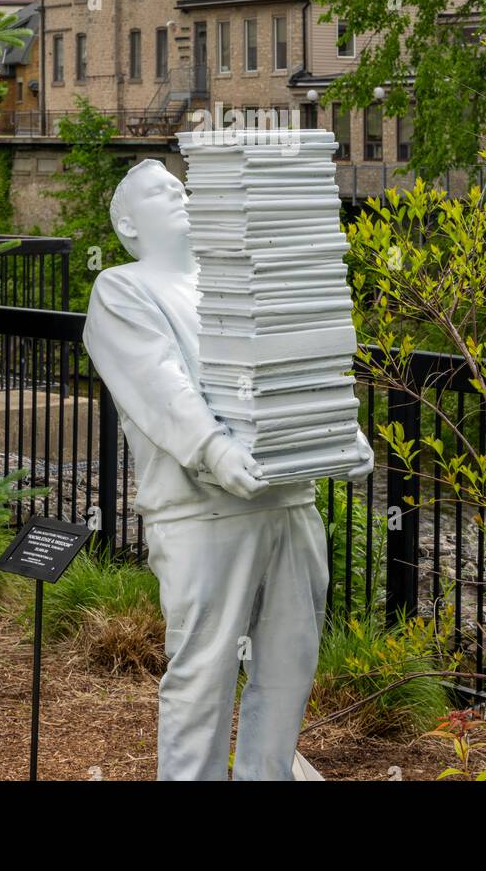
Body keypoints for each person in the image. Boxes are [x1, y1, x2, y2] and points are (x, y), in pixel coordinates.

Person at [83, 158, 373, 781]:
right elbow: (161, 385)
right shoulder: (122, 289)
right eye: (162, 193)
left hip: (291, 500)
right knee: (203, 671)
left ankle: (266, 775)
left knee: (290, 662)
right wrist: (214, 449)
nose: (181, 195)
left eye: (181, 187)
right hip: (201, 512)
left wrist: (341, 433)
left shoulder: (237, 280)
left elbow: (298, 358)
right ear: (129, 225)